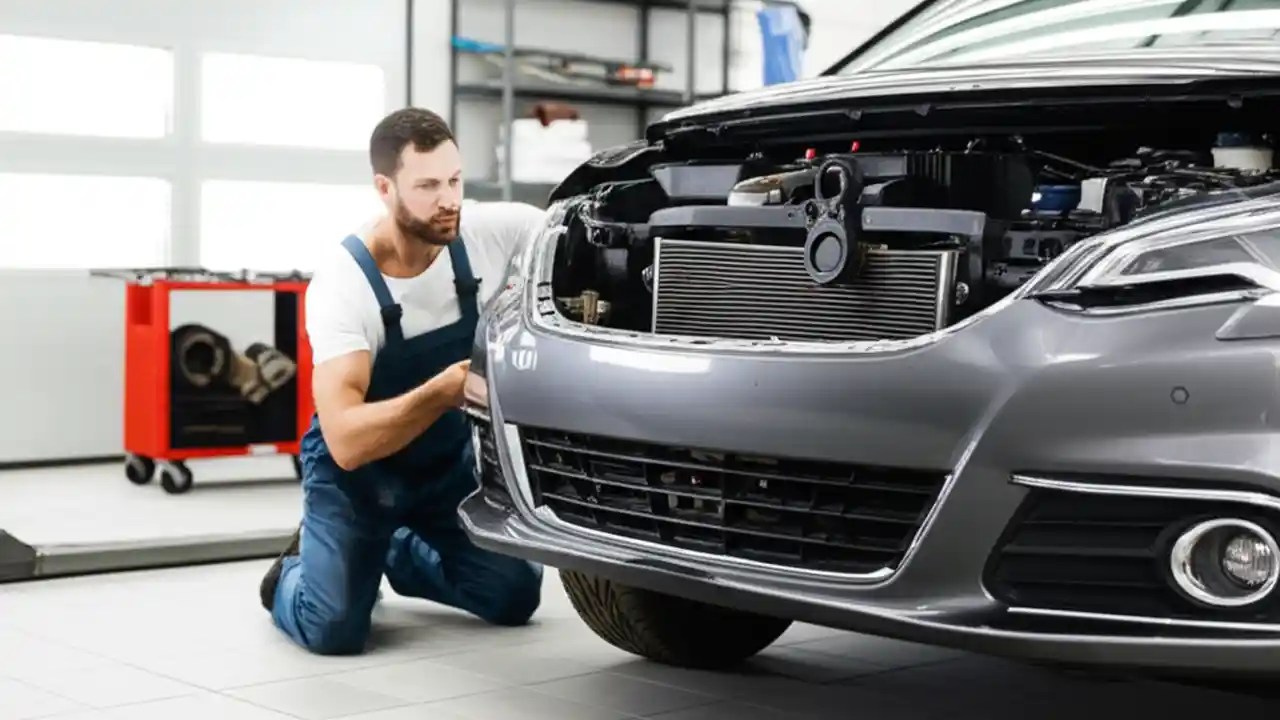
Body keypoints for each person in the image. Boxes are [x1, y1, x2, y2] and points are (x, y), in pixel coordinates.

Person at [258, 107, 546, 655]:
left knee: (513, 597)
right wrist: (443, 390)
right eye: (429, 185)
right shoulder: (344, 284)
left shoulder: (488, 232)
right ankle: (293, 573)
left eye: (456, 180)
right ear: (385, 188)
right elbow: (345, 441)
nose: (449, 199)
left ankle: (394, 553)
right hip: (357, 482)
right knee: (335, 629)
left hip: (441, 472)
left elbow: (565, 233)